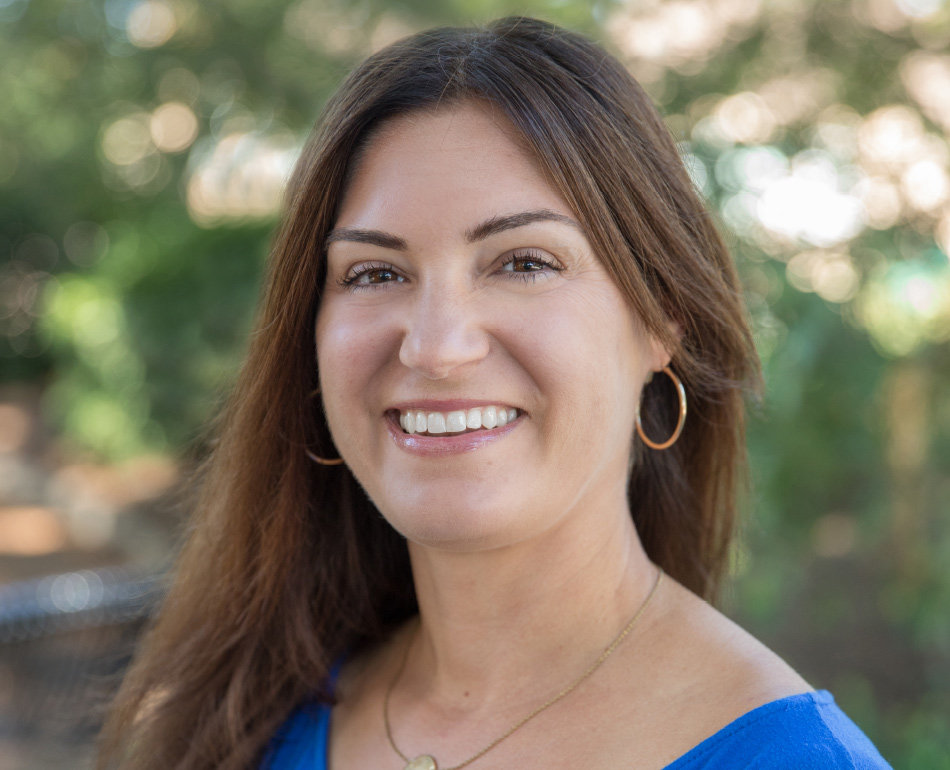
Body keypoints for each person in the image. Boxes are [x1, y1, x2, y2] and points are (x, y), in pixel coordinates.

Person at [98, 17, 893, 770]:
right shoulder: (248, 720)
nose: (437, 347)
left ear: (661, 319)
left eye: (523, 263)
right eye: (375, 273)